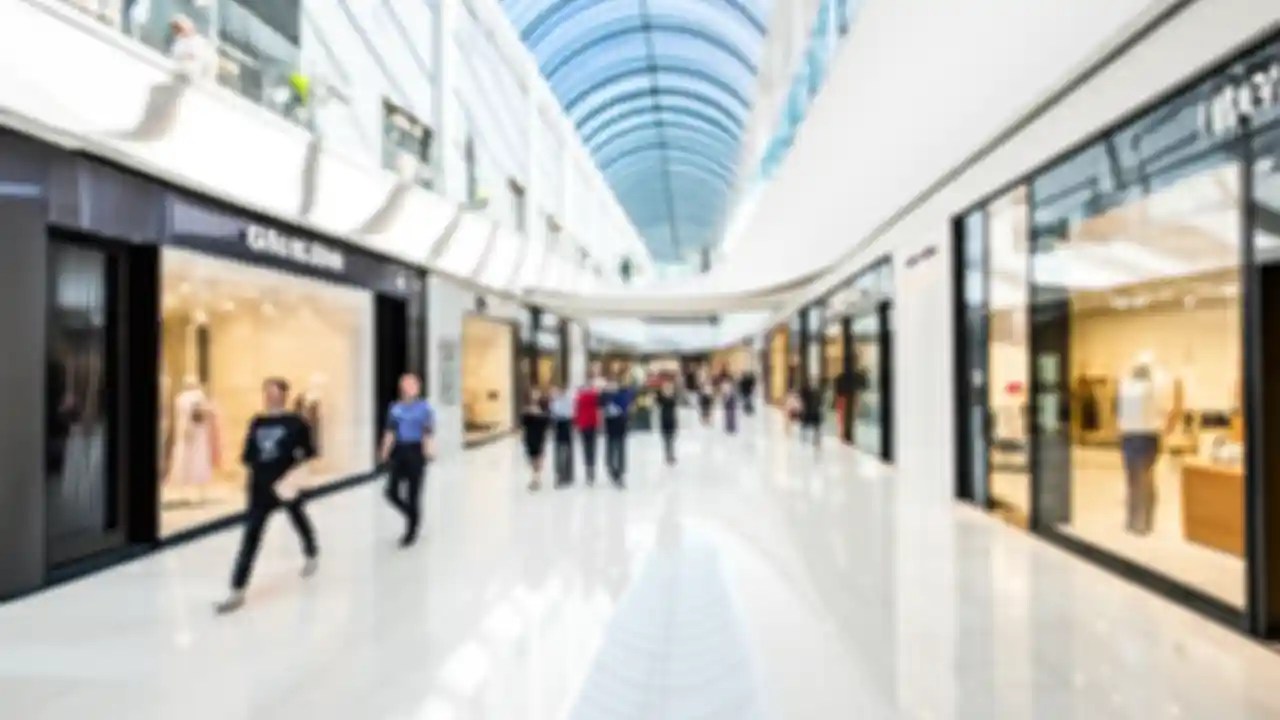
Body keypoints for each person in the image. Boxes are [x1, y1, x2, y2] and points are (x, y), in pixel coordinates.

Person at [215, 378, 318, 615]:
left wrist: (294, 472)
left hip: (285, 485)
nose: (270, 396)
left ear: (284, 394)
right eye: (266, 392)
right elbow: (248, 453)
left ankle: (311, 550)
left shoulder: (296, 422)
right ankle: (237, 588)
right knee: (251, 536)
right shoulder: (257, 421)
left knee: (298, 518)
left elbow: (309, 452)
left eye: (274, 392)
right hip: (259, 488)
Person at [379, 373, 435, 547]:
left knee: (413, 494)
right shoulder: (395, 408)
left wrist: (429, 451)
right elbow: (390, 432)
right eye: (407, 385)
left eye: (414, 385)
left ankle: (411, 530)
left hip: (416, 450)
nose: (411, 388)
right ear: (402, 387)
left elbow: (428, 432)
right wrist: (384, 452)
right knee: (390, 492)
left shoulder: (425, 408)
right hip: (399, 450)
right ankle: (412, 515)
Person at [600, 377, 633, 487]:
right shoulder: (605, 398)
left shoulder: (622, 396)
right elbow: (600, 402)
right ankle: (612, 469)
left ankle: (619, 472)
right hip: (611, 430)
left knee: (619, 451)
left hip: (620, 428)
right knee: (612, 450)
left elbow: (630, 395)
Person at [521, 390, 551, 492]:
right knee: (531, 459)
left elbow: (547, 421)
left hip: (540, 436)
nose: (535, 397)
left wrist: (539, 414)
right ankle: (535, 477)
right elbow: (523, 422)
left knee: (538, 458)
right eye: (533, 395)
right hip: (529, 436)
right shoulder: (526, 409)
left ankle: (536, 479)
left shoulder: (544, 408)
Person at [575, 379, 602, 485]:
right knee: (592, 447)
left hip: (583, 424)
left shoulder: (579, 397)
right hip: (593, 423)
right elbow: (599, 408)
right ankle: (592, 470)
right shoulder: (595, 396)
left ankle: (588, 471)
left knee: (585, 447)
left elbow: (576, 410)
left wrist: (576, 424)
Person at [549, 385, 575, 488]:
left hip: (565, 428)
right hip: (559, 429)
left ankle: (566, 475)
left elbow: (570, 413)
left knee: (566, 453)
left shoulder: (566, 401)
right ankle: (560, 475)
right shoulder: (555, 402)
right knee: (560, 453)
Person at [657, 380, 679, 465]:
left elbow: (673, 401)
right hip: (664, 421)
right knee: (666, 440)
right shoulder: (662, 399)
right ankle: (668, 455)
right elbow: (659, 400)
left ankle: (671, 455)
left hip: (671, 420)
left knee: (671, 440)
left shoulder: (672, 399)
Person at [799, 381, 823, 449]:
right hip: (812, 412)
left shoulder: (813, 393)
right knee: (814, 426)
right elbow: (819, 402)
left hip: (810, 411)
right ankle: (814, 440)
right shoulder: (812, 393)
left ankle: (812, 439)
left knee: (811, 426)